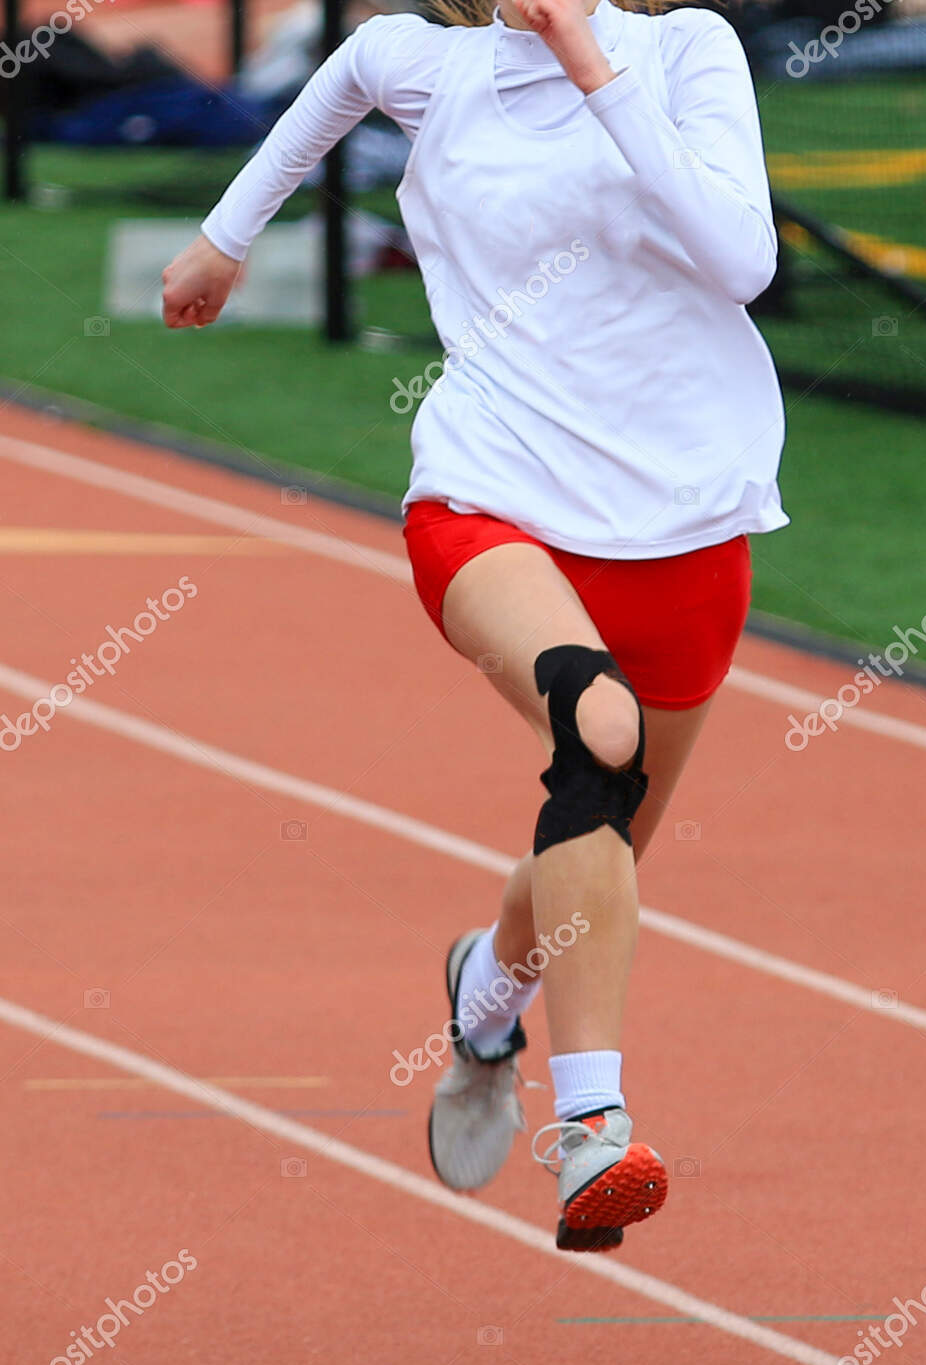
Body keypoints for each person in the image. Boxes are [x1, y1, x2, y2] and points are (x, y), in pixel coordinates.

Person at [159, 0, 787, 1250]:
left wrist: (593, 68)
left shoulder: (688, 51)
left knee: (597, 857)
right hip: (489, 496)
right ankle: (596, 1133)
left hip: (684, 522)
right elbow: (316, 105)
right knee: (594, 731)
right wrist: (223, 243)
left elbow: (741, 262)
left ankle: (487, 993)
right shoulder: (420, 60)